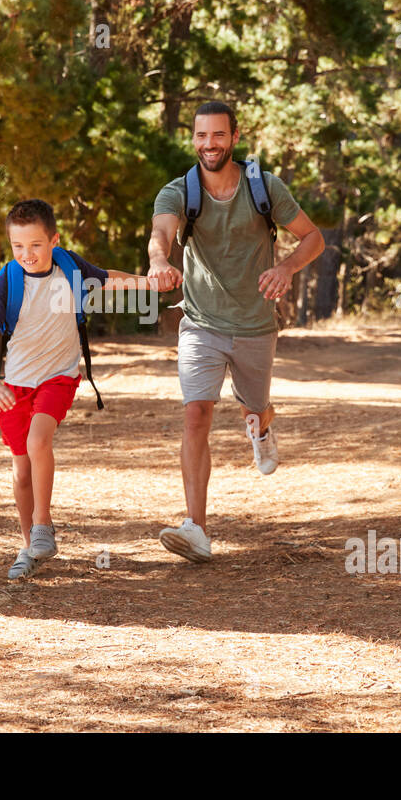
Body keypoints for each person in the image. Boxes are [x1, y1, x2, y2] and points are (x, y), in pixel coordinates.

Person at [146, 101, 325, 563]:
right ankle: (196, 529)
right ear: (193, 139)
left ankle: (261, 427)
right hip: (201, 323)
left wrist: (286, 266)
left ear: (234, 137)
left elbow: (313, 237)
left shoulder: (264, 187)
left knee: (254, 405)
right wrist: (159, 262)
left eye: (219, 135)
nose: (210, 145)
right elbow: (161, 235)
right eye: (202, 136)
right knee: (195, 414)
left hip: (255, 325)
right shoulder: (179, 192)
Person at [0, 199, 156, 580]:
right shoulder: (7, 281)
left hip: (59, 376)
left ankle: (43, 526)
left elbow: (108, 277)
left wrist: (148, 282)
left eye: (36, 245)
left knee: (38, 442)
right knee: (22, 471)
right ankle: (29, 547)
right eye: (18, 246)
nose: (27, 254)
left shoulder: (71, 267)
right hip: (15, 385)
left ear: (54, 240)